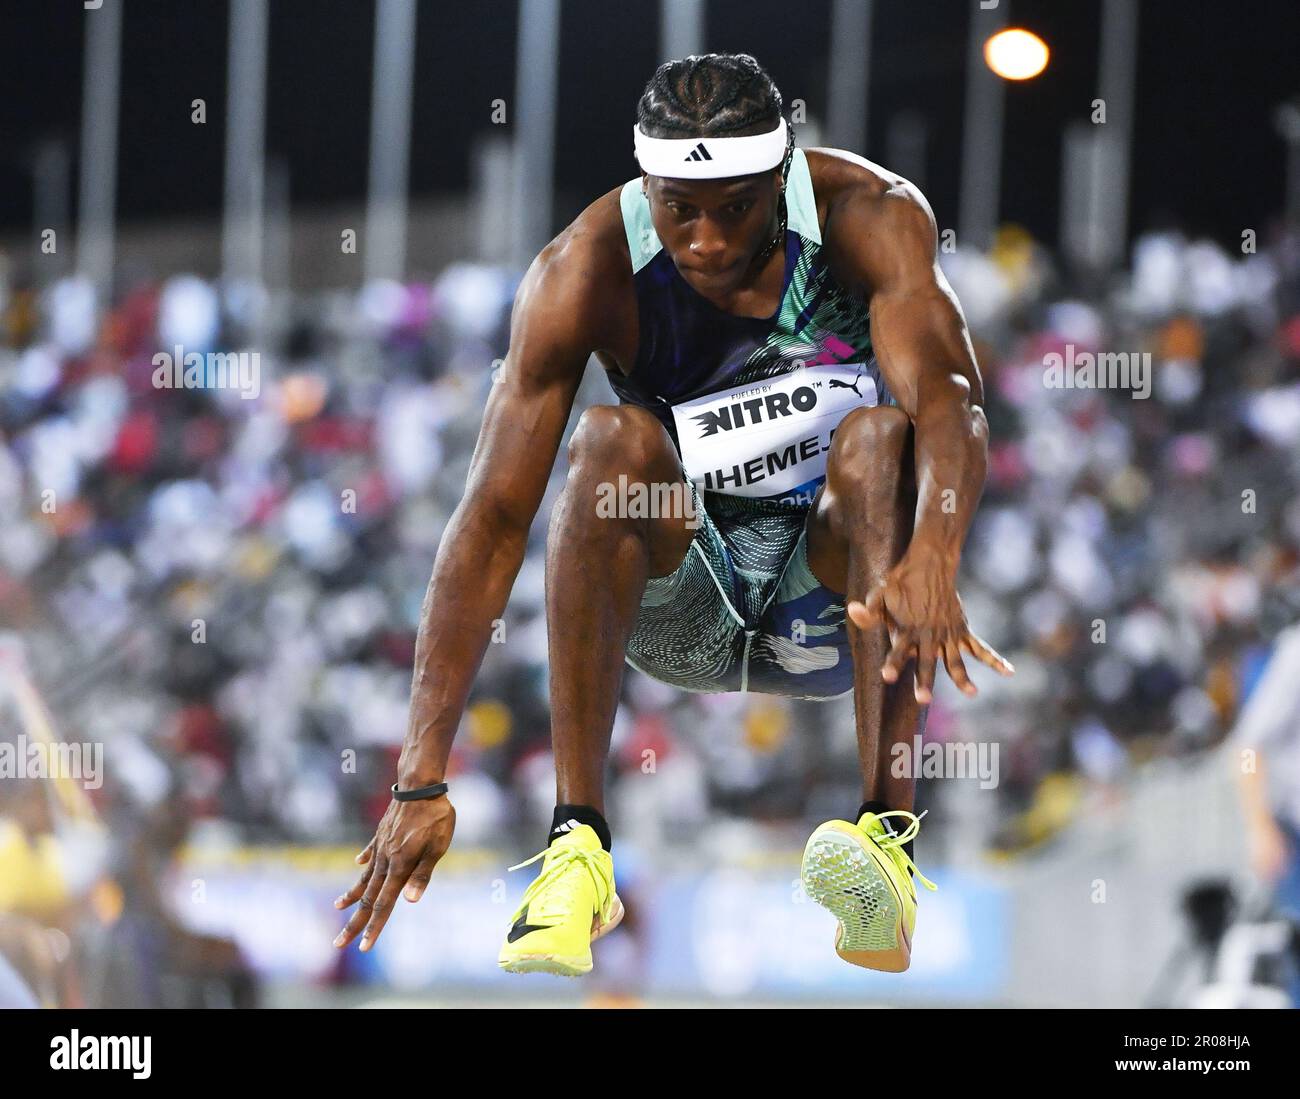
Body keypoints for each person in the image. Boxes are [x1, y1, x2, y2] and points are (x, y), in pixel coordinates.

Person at [334, 52, 1011, 975]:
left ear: (781, 177)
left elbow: (952, 402)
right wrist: (419, 776)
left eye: (734, 209)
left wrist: (936, 546)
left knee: (880, 437)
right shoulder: (583, 270)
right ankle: (578, 844)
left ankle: (884, 845)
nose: (704, 242)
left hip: (835, 596)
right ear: (646, 183)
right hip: (689, 601)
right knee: (609, 442)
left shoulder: (872, 216)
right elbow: (491, 519)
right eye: (678, 210)